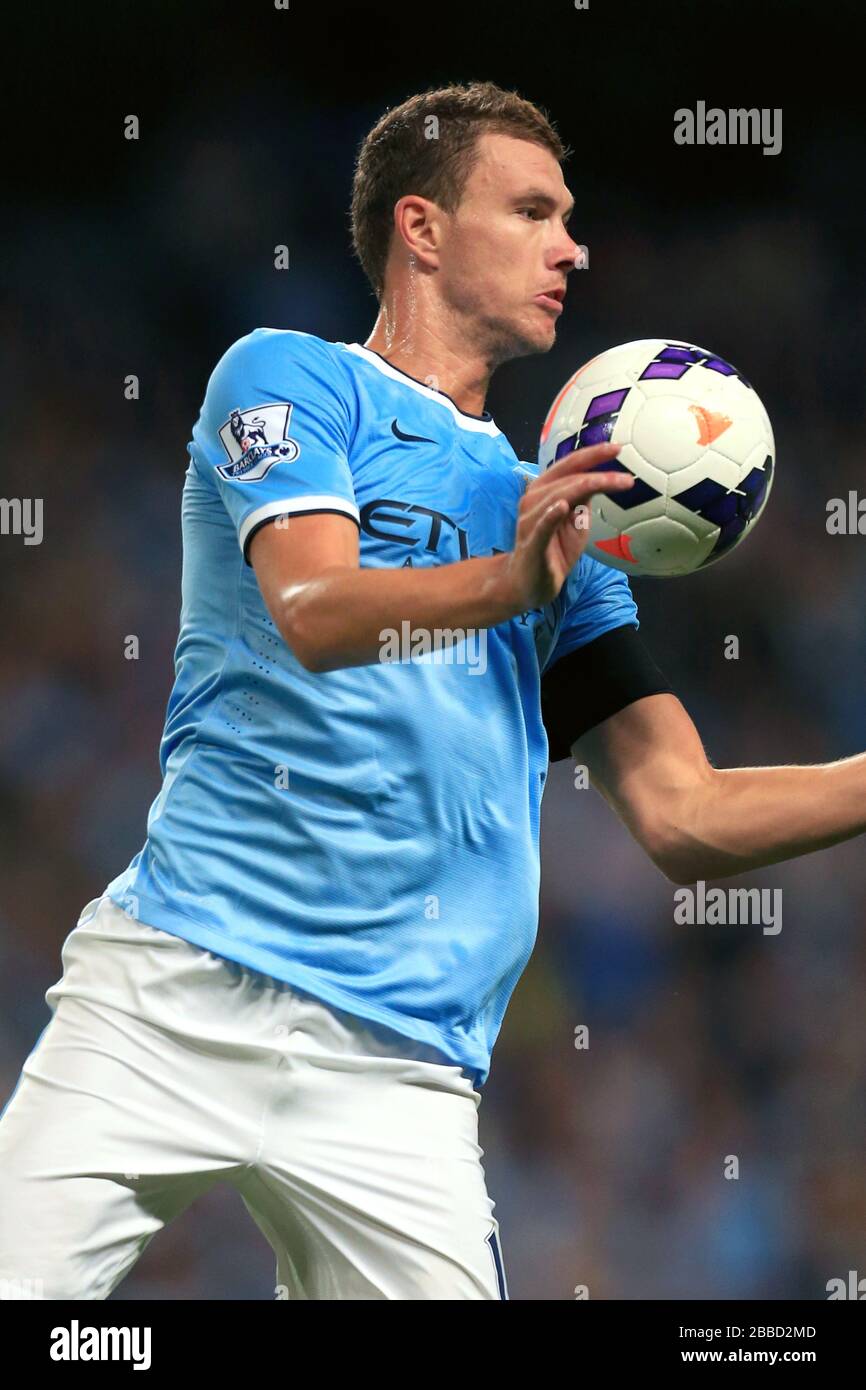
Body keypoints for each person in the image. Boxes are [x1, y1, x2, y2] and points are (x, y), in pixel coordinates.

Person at [2, 81, 864, 1302]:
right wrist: (506, 582)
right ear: (420, 229)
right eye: (529, 210)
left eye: (568, 219)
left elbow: (685, 814)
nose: (570, 245)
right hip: (171, 998)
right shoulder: (293, 380)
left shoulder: (567, 538)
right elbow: (311, 612)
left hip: (398, 1076)